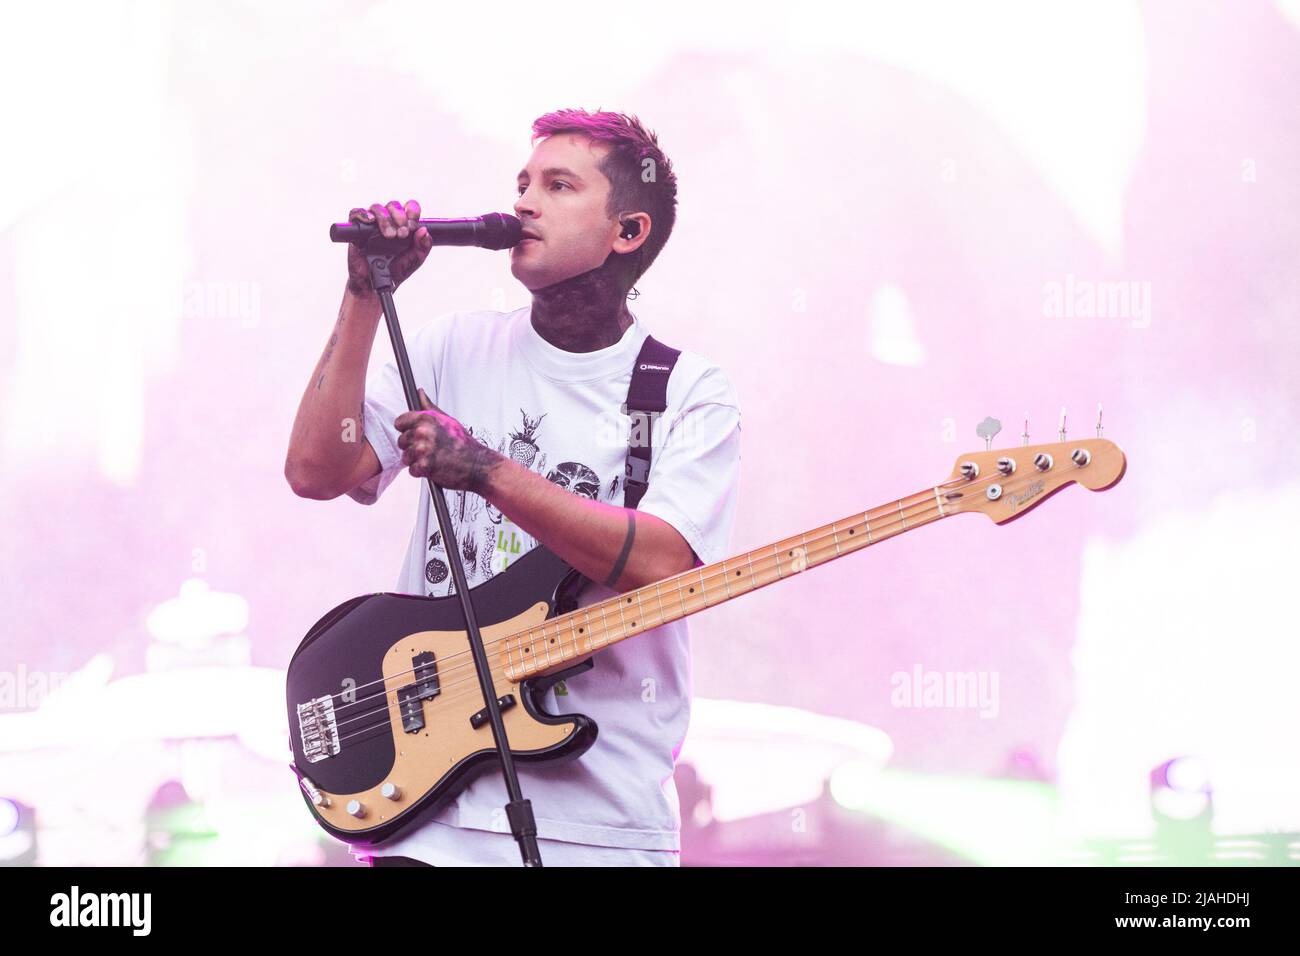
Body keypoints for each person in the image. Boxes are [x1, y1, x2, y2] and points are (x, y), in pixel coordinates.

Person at [284, 108, 742, 866]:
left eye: (559, 186)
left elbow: (662, 564)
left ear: (626, 232)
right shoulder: (456, 346)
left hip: (598, 828)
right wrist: (365, 294)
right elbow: (314, 470)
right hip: (428, 813)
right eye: (522, 183)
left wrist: (486, 470)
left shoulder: (688, 392)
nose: (525, 202)